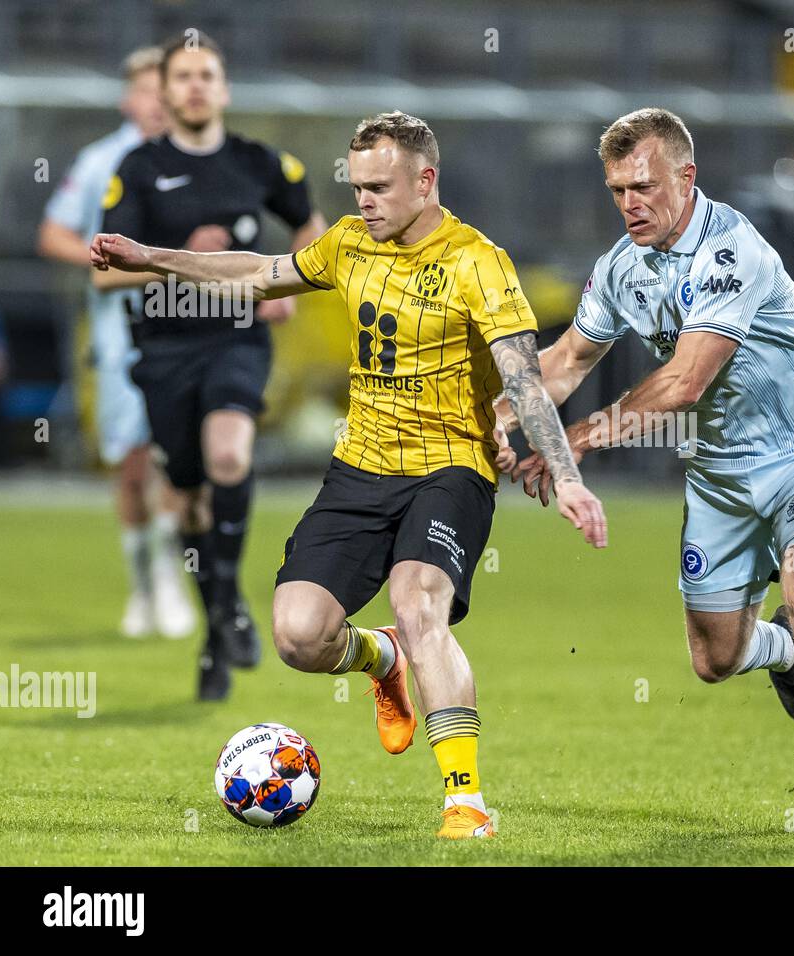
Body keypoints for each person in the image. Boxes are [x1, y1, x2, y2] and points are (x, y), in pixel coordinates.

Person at [92, 110, 608, 839]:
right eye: (357, 185)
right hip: (359, 470)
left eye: (379, 187)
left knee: (418, 602)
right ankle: (380, 656)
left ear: (425, 182)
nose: (363, 200)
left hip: (450, 468)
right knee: (300, 637)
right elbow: (260, 275)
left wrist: (568, 475)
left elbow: (525, 381)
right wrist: (153, 257)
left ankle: (466, 802)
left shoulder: (478, 262)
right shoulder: (348, 243)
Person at [504, 107, 794, 841]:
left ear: (687, 177)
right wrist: (493, 421)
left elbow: (686, 381)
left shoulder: (729, 249)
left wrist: (583, 435)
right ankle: (786, 654)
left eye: (644, 186)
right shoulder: (623, 268)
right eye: (618, 189)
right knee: (715, 659)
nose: (630, 202)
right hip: (720, 471)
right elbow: (563, 363)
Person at [94, 33, 326, 699]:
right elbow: (106, 277)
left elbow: (313, 229)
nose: (196, 86)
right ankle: (217, 617)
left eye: (207, 75)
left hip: (237, 339)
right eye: (183, 76)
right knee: (190, 496)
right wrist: (174, 256)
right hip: (164, 350)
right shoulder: (137, 168)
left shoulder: (261, 164)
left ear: (224, 88)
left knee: (229, 456)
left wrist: (289, 285)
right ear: (165, 92)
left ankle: (227, 611)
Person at [37, 46, 194, 640]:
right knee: (131, 463)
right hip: (118, 332)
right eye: (153, 91)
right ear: (131, 98)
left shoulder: (195, 157)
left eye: (170, 89)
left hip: (183, 324)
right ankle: (140, 584)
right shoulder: (101, 160)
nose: (163, 101)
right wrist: (107, 258)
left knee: (176, 459)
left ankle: (169, 574)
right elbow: (52, 234)